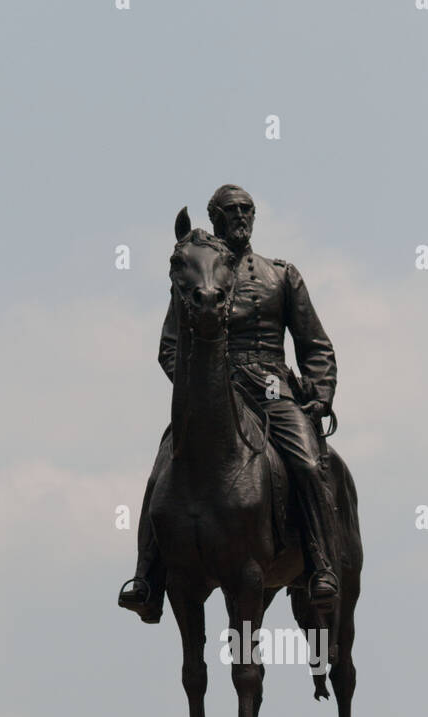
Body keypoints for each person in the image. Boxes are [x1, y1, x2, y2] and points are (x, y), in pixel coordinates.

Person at [118, 184, 340, 623]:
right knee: (162, 468)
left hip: (273, 388)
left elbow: (315, 346)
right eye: (231, 211)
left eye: (247, 210)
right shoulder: (200, 272)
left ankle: (320, 565)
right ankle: (146, 578)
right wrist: (197, 389)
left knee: (311, 464)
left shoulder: (282, 274)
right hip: (216, 392)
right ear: (215, 218)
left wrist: (319, 394)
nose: (241, 217)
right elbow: (169, 347)